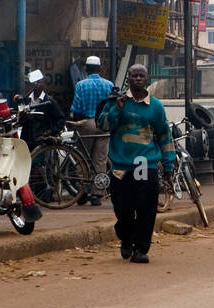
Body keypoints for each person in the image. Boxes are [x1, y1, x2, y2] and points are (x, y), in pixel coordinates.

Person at [96, 64, 175, 264]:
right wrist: (116, 109)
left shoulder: (155, 107)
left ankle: (141, 249)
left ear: (147, 80)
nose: (138, 79)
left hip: (145, 165)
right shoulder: (116, 102)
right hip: (121, 166)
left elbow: (165, 136)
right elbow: (103, 125)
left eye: (141, 76)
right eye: (134, 76)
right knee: (123, 208)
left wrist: (168, 166)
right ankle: (125, 237)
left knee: (146, 208)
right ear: (128, 80)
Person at [69, 56, 113, 206]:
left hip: (87, 123)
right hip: (104, 124)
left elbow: (77, 109)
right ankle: (97, 194)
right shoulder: (109, 85)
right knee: (100, 159)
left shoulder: (81, 85)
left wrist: (77, 124)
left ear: (86, 69)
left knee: (81, 158)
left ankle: (82, 192)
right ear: (100, 69)